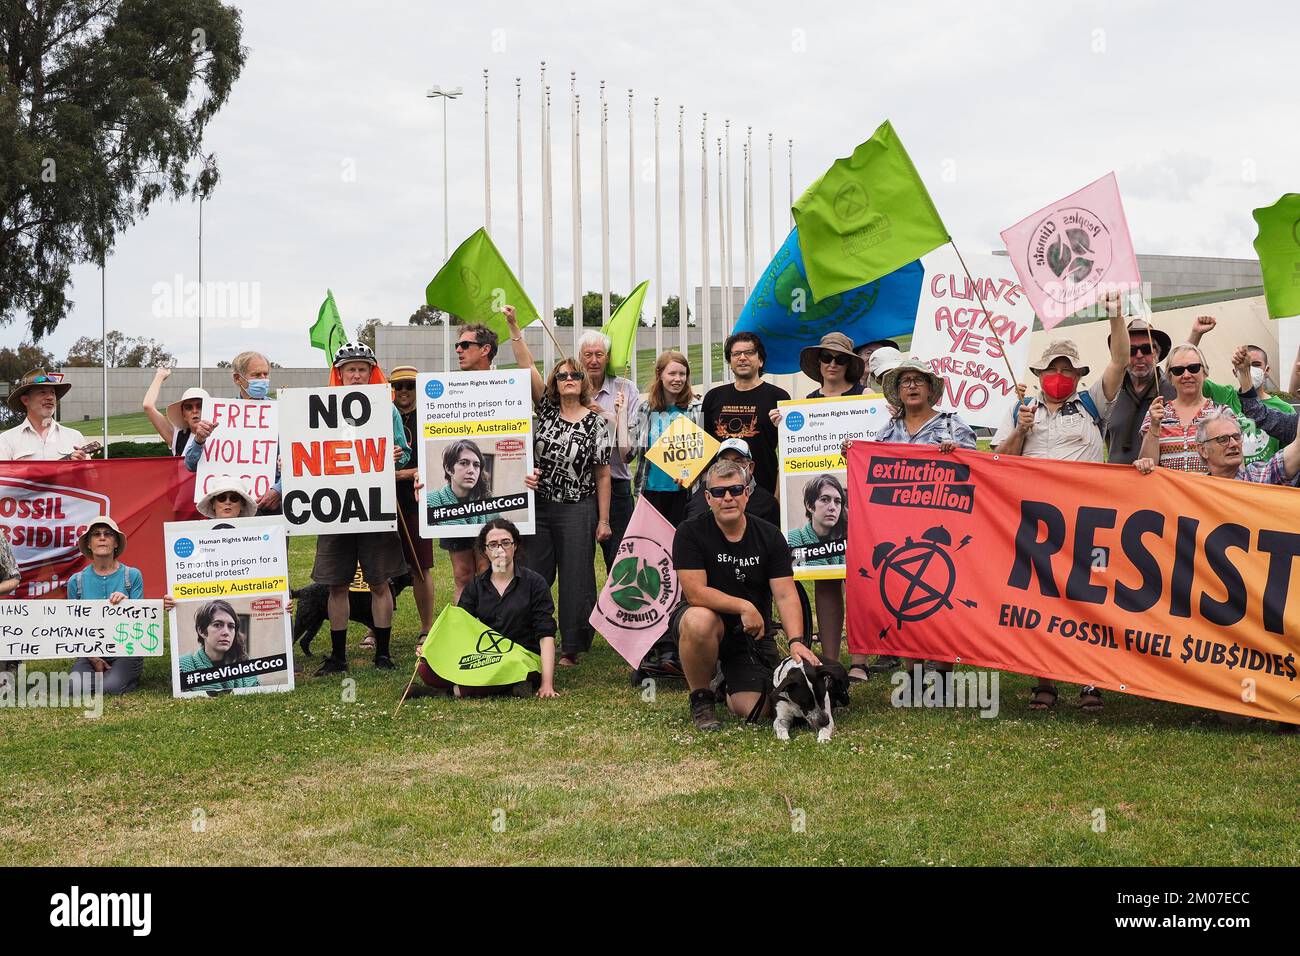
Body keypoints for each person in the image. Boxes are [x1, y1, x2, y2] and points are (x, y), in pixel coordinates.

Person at [993, 294, 1129, 711]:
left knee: (1090, 598)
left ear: (1078, 375)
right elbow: (1001, 461)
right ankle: (1045, 681)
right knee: (1041, 598)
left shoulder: (1093, 403)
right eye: (1052, 369)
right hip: (1038, 520)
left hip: (1090, 518)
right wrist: (1020, 429)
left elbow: (1120, 361)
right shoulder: (1021, 408)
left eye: (1066, 370)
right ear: (1040, 373)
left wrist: (1115, 315)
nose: (1059, 375)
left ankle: (1091, 680)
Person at [672, 458, 819, 731]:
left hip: (752, 634)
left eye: (735, 490)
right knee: (699, 620)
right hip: (706, 621)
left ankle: (724, 682)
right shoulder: (689, 532)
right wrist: (744, 606)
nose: (727, 498)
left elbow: (786, 595)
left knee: (757, 709)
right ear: (707, 497)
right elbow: (694, 592)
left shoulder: (771, 536)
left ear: (747, 493)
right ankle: (701, 699)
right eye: (718, 492)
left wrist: (797, 641)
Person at [855, 358, 979, 680]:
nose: (911, 386)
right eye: (905, 381)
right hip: (900, 527)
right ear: (897, 391)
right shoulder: (888, 431)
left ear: (929, 389)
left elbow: (976, 469)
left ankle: (943, 671)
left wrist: (958, 455)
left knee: (942, 592)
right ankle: (912, 672)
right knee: (903, 597)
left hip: (942, 526)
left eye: (918, 380)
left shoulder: (953, 425)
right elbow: (872, 470)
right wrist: (852, 455)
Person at [504, 305, 611, 667]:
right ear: (555, 381)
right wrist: (514, 326)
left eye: (574, 376)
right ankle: (530, 633)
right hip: (541, 506)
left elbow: (603, 474)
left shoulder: (596, 423)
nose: (568, 379)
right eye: (563, 374)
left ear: (583, 384)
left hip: (578, 508)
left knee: (577, 577)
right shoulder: (545, 412)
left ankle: (572, 647)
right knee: (533, 571)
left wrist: (604, 519)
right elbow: (526, 366)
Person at [313, 343, 410, 675]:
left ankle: (382, 653)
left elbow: (405, 452)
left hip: (374, 505)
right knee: (336, 584)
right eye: (350, 368)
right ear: (339, 373)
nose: (356, 374)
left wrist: (399, 455)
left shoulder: (388, 409)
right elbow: (305, 448)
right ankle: (338, 657)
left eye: (362, 368)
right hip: (335, 507)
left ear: (372, 373)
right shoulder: (319, 407)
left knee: (379, 582)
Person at [411, 519, 558, 699]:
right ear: (485, 550)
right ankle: (510, 686)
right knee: (425, 668)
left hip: (522, 657)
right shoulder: (475, 587)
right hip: (487, 657)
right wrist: (431, 647)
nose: (500, 550)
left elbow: (546, 635)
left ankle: (446, 692)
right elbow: (458, 628)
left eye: (506, 543)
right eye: (493, 544)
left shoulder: (535, 583)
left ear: (516, 545)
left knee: (513, 664)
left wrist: (547, 684)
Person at [439, 326, 499, 602]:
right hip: (454, 509)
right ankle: (463, 638)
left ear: (485, 350)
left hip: (489, 509)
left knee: (488, 570)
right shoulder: (448, 390)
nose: (458, 351)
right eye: (456, 346)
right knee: (463, 575)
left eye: (464, 345)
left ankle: (493, 633)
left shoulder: (508, 386)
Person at [1187, 315, 1295, 466]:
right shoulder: (1225, 395)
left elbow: (1290, 459)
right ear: (1235, 372)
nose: (1249, 369)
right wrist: (1196, 334)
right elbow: (1188, 375)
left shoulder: (1285, 409)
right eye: (1245, 366)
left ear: (1267, 370)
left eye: (1256, 364)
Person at [183, 350, 282, 513]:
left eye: (266, 374)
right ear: (238, 378)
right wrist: (199, 440)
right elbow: (191, 465)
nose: (263, 380)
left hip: (271, 505)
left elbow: (296, 460)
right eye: (257, 375)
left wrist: (278, 490)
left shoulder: (281, 413)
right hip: (232, 509)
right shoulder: (220, 416)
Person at [701, 332, 790, 494]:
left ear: (761, 360)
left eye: (749, 353)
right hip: (721, 492)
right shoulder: (713, 397)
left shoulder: (779, 397)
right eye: (736, 354)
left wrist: (778, 494)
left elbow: (787, 452)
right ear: (730, 362)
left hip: (763, 490)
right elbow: (702, 447)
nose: (742, 358)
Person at [580, 330, 640, 566]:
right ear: (580, 357)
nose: (593, 361)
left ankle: (621, 605)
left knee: (620, 560)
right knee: (579, 560)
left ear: (608, 357)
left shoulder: (626, 389)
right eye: (588, 355)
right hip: (580, 487)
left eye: (599, 354)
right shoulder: (570, 387)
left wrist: (605, 413)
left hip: (616, 486)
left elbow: (630, 447)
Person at [64, 518, 145, 695]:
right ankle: (113, 677)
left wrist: (126, 604)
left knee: (111, 688)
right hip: (91, 650)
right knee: (72, 687)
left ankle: (118, 678)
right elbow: (74, 625)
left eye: (108, 534)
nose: (102, 538)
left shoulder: (132, 576)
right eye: (96, 534)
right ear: (89, 544)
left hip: (126, 649)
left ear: (116, 543)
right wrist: (93, 657)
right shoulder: (75, 581)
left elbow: (141, 622)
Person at [390, 365, 436, 637]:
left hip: (417, 501)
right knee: (380, 572)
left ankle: (426, 627)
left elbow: (435, 461)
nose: (404, 391)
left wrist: (401, 474)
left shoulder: (429, 419)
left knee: (421, 566)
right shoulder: (378, 416)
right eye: (398, 386)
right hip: (381, 501)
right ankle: (375, 628)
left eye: (410, 386)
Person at [632, 350, 702, 526]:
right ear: (659, 374)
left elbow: (701, 453)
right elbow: (630, 453)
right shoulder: (645, 409)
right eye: (672, 373)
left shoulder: (696, 409)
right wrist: (618, 415)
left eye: (682, 374)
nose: (677, 379)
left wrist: (691, 473)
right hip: (650, 491)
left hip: (684, 492)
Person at [1137, 343, 1223, 474]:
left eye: (1193, 368)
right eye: (1178, 370)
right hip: (1169, 493)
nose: (1186, 375)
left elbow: (1236, 465)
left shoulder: (1222, 413)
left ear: (1205, 372)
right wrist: (1154, 426)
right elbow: (1147, 465)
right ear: (1170, 377)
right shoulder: (1157, 413)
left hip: (1209, 493)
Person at [1099, 318, 1174, 465]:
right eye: (1132, 351)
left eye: (1146, 349)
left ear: (1157, 354)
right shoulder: (1110, 392)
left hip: (1158, 483)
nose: (1139, 355)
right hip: (1118, 483)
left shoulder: (1173, 391)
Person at [685, 438, 780, 526]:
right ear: (708, 496)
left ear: (750, 467)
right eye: (725, 461)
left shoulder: (767, 504)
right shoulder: (702, 492)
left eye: (737, 461)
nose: (730, 467)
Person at [0, 369, 89, 461]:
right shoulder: (6, 440)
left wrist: (80, 466)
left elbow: (90, 474)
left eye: (52, 393)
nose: (50, 397)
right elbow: (3, 474)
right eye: (42, 392)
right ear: (25, 400)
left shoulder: (74, 437)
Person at [178, 598, 260, 691]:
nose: (226, 632)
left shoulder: (248, 669)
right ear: (202, 631)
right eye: (217, 625)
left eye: (231, 626)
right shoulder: (182, 667)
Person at [142, 367, 209, 456]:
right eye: (189, 407)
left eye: (200, 406)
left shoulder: (223, 436)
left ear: (209, 408)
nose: (194, 411)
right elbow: (148, 406)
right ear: (183, 415)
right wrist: (159, 376)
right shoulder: (177, 437)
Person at [801, 332, 868, 398]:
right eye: (826, 357)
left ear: (848, 363)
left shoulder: (865, 395)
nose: (833, 365)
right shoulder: (808, 402)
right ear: (819, 361)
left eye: (840, 359)